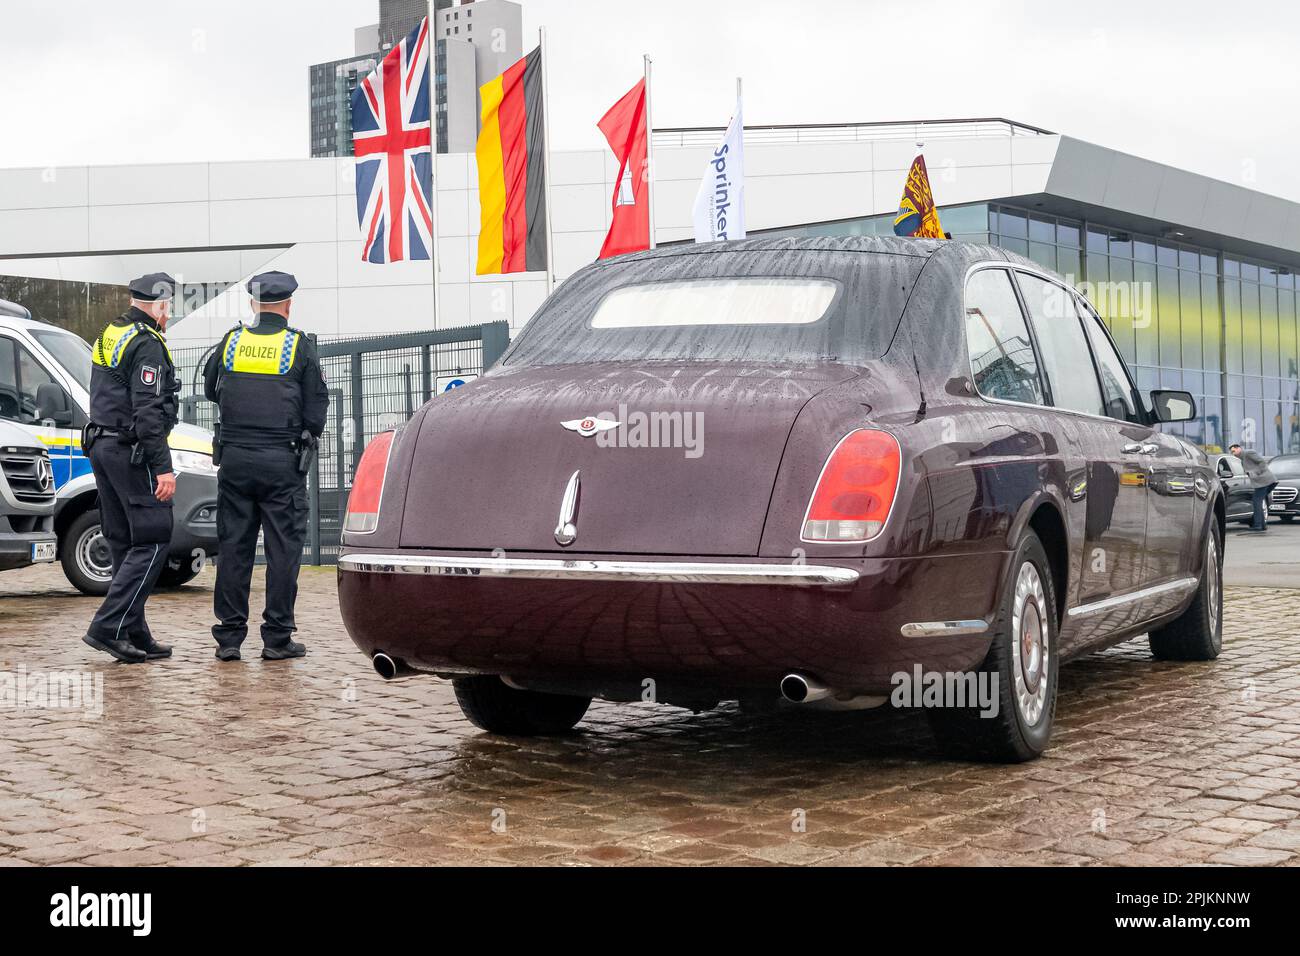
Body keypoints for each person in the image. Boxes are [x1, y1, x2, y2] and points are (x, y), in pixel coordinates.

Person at [203, 271, 329, 662]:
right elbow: (316, 411)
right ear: (289, 305)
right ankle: (276, 638)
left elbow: (210, 389)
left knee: (234, 549)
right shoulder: (299, 348)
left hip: (236, 460)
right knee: (282, 552)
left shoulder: (232, 342)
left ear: (253, 305)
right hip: (282, 463)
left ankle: (228, 638)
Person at [82, 273, 181, 663]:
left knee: (123, 540)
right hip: (130, 450)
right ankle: (107, 626)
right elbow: (148, 412)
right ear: (158, 305)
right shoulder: (147, 343)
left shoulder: (110, 332)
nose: (168, 313)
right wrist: (163, 468)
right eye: (167, 306)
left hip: (102, 446)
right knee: (155, 537)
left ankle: (133, 631)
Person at [1231, 443, 1278, 533]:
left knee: (1256, 501)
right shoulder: (1242, 459)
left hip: (1264, 481)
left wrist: (1257, 473)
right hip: (1262, 482)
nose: (1233, 453)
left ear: (1239, 449)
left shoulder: (1248, 453)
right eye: (1232, 452)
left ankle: (1258, 525)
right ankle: (1262, 525)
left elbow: (1262, 462)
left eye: (1234, 450)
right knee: (1258, 501)